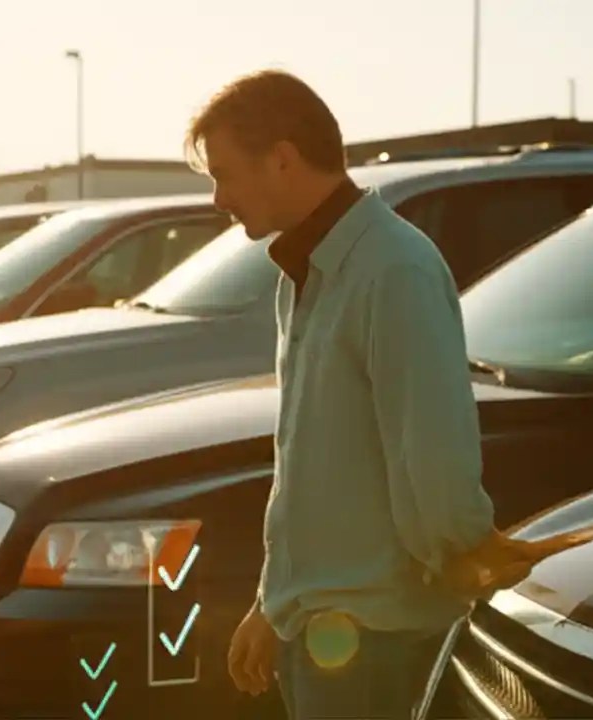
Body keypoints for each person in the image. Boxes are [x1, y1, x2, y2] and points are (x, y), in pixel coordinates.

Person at [185, 69, 500, 719]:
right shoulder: (304, 273)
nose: (218, 198)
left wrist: (469, 558)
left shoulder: (394, 270)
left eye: (224, 173)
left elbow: (434, 461)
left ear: (282, 159)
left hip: (377, 640)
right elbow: (311, 471)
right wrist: (275, 603)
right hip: (321, 631)